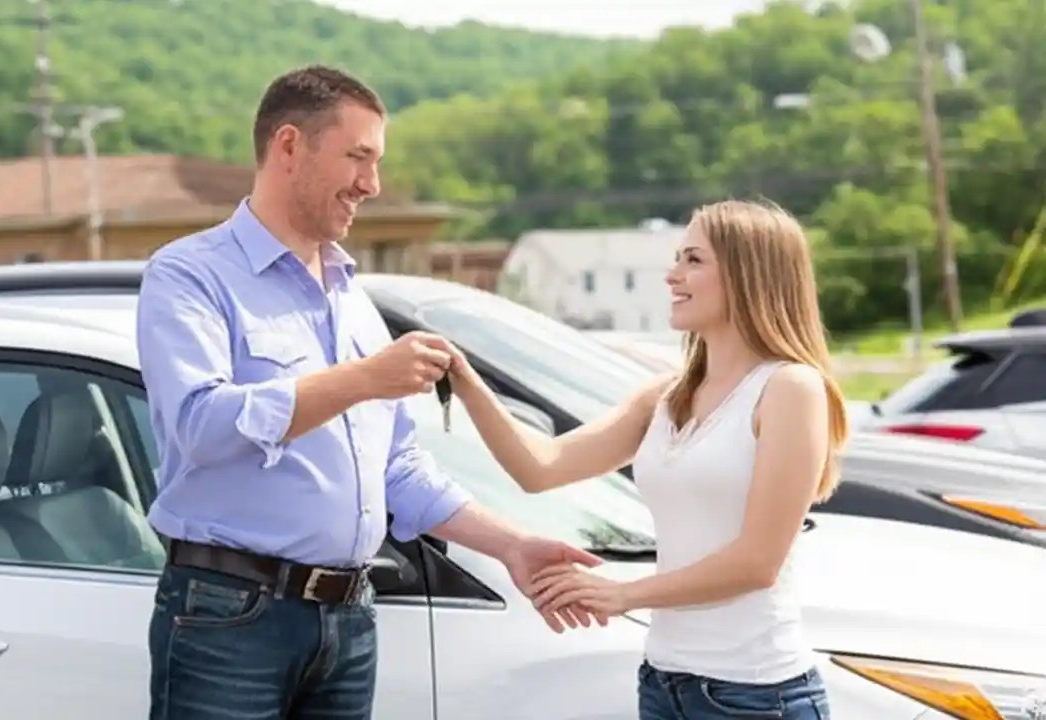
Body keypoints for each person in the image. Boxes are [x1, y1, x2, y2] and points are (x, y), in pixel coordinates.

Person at [135, 64, 601, 720]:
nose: (372, 185)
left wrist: (511, 546)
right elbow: (201, 425)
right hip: (229, 619)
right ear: (289, 145)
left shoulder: (350, 295)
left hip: (349, 623)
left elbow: (397, 468)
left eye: (376, 162)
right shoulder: (189, 275)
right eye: (358, 157)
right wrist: (362, 379)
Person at [444, 199, 848, 719]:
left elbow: (757, 563)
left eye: (693, 260)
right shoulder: (667, 396)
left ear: (750, 275)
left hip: (754, 695)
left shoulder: (790, 388)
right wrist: (463, 377)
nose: (672, 275)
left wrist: (621, 594)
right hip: (663, 684)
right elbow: (539, 467)